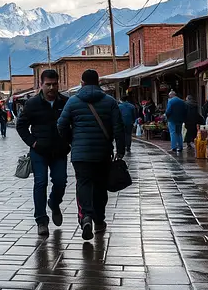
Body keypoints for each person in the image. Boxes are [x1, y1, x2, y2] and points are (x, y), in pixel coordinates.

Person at [58, 69, 126, 240]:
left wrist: (71, 141)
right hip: (102, 153)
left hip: (80, 155)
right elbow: (119, 127)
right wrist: (120, 149)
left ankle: (86, 216)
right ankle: (100, 221)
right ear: (99, 83)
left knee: (84, 184)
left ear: (82, 83)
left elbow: (61, 124)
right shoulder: (110, 102)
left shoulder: (73, 102)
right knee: (101, 187)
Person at [17, 69, 69, 237]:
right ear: (41, 85)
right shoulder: (32, 104)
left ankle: (54, 203)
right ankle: (41, 220)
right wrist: (32, 142)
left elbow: (73, 124)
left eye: (54, 84)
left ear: (58, 84)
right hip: (39, 151)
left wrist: (68, 141)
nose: (51, 88)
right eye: (48, 85)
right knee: (40, 183)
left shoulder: (65, 103)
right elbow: (21, 125)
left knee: (60, 182)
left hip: (59, 151)